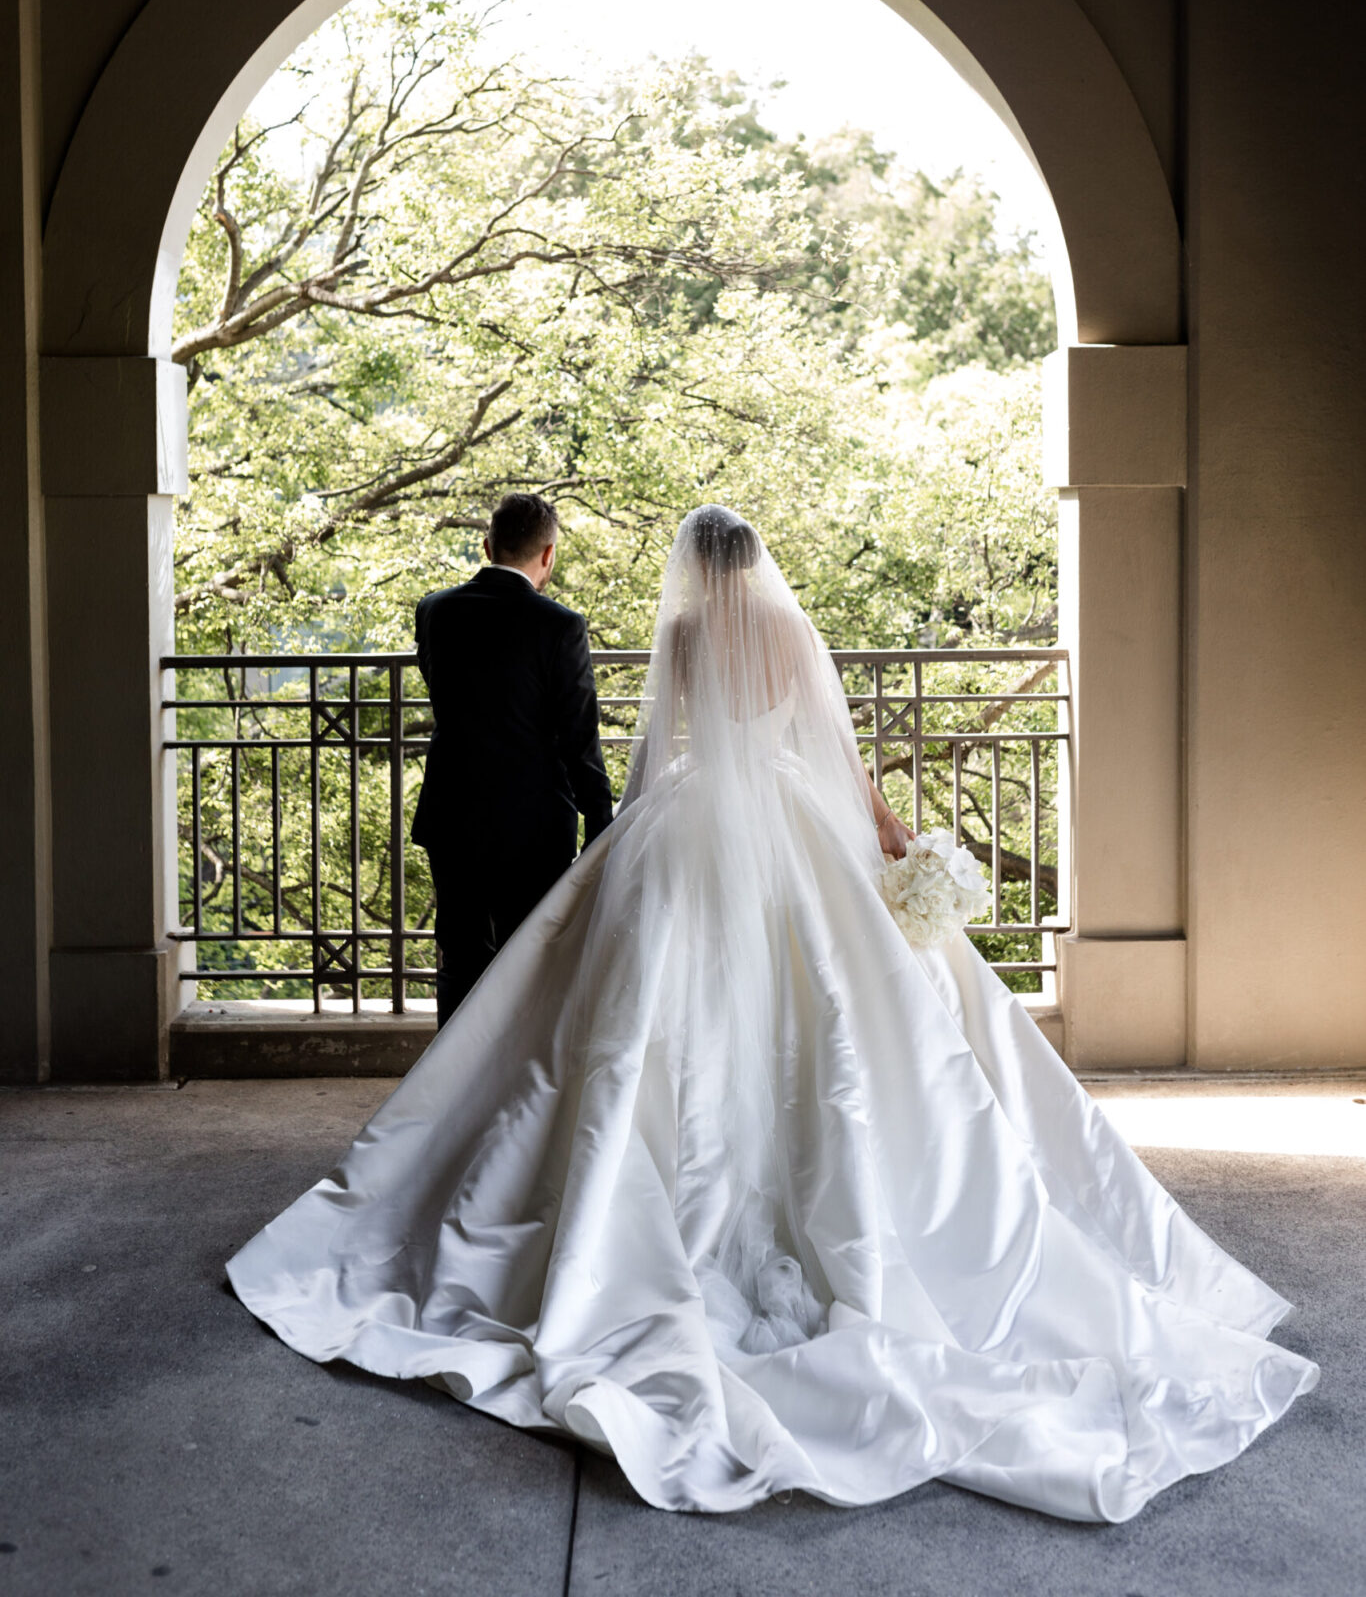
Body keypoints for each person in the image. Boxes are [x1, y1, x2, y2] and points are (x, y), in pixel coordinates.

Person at [229, 506, 1317, 1520]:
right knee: (836, 1023)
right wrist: (894, 838)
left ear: (695, 571)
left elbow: (659, 758)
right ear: (754, 561)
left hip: (690, 831)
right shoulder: (789, 632)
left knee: (647, 1025)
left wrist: (623, 843)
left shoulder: (690, 636)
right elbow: (841, 763)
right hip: (791, 836)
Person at [410, 491, 613, 1026]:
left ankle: (449, 1088)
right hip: (534, 822)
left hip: (452, 812)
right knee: (531, 960)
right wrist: (601, 827)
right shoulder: (560, 626)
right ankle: (516, 1090)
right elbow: (579, 738)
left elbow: (444, 693)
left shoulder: (433, 611)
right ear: (547, 555)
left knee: (460, 957)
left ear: (487, 546)